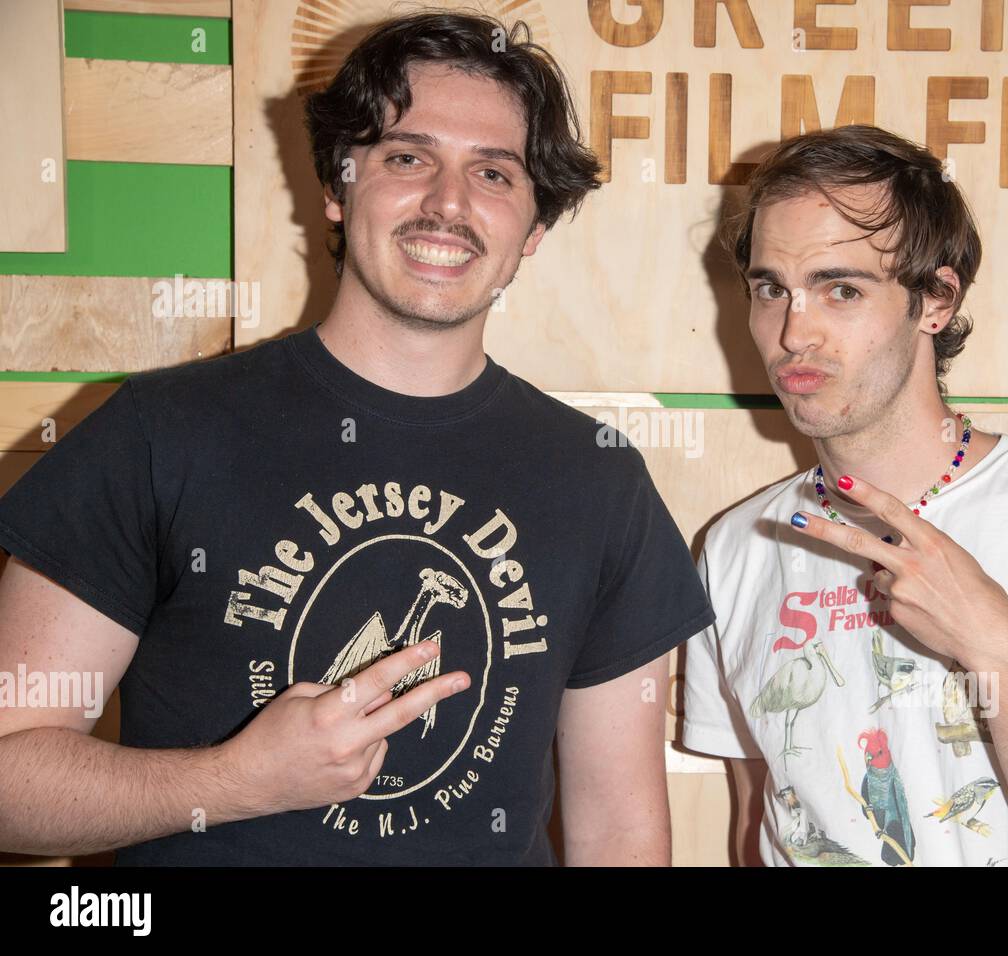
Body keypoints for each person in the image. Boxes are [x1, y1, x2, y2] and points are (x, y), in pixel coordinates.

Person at [0, 10, 712, 866]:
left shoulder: (597, 478)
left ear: (532, 230)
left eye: (493, 173)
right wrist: (237, 780)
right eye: (408, 158)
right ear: (338, 188)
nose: (448, 204)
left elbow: (620, 833)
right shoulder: (160, 433)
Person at [682, 124, 1008, 867]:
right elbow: (763, 826)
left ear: (935, 299)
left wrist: (993, 645)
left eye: (842, 289)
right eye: (772, 288)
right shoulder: (737, 546)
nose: (794, 331)